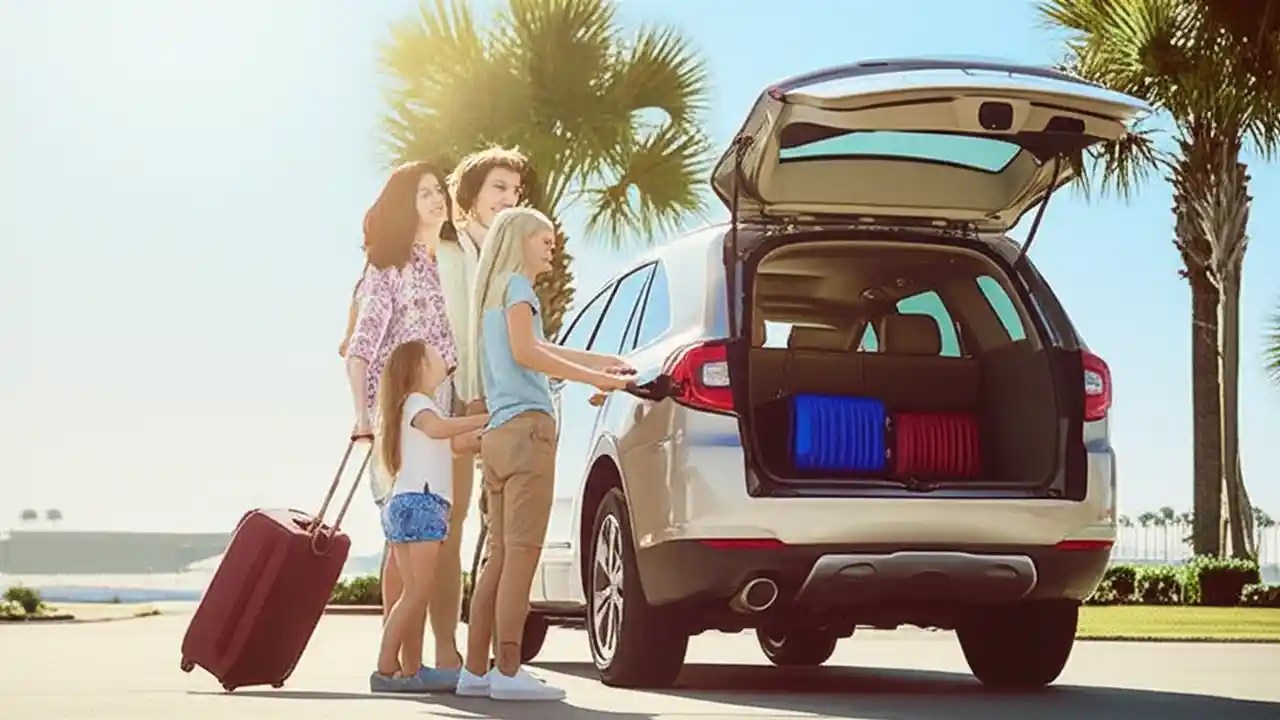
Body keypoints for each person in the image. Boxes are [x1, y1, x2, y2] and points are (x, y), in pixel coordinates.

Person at [454, 207, 634, 701]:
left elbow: (540, 347)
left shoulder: (495, 295)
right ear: (518, 238)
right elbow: (528, 353)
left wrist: (604, 363)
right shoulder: (519, 288)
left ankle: (477, 671)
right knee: (523, 555)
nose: (552, 245)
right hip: (528, 433)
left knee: (498, 557)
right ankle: (509, 670)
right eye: (545, 238)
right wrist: (595, 379)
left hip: (498, 437)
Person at [339, 161, 470, 689]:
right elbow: (360, 351)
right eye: (424, 193)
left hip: (440, 415)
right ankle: (399, 664)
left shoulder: (449, 263)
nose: (437, 198)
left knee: (423, 540)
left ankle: (409, 663)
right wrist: (362, 419)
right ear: (403, 204)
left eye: (439, 190)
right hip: (398, 423)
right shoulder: (388, 268)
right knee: (403, 543)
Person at [433, 145, 527, 652]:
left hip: (495, 408)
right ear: (469, 194)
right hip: (448, 405)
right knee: (445, 524)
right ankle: (442, 648)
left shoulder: (507, 261)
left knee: (494, 529)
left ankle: (483, 655)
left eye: (514, 191)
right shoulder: (445, 250)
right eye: (498, 187)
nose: (508, 198)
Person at [369, 340, 490, 693]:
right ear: (418, 367)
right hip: (422, 504)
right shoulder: (419, 403)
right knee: (418, 593)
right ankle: (386, 669)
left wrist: (483, 436)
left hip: (406, 504)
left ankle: (409, 669)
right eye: (436, 356)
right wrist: (488, 417)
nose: (444, 360)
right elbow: (440, 430)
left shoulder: (410, 409)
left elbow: (453, 444)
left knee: (413, 592)